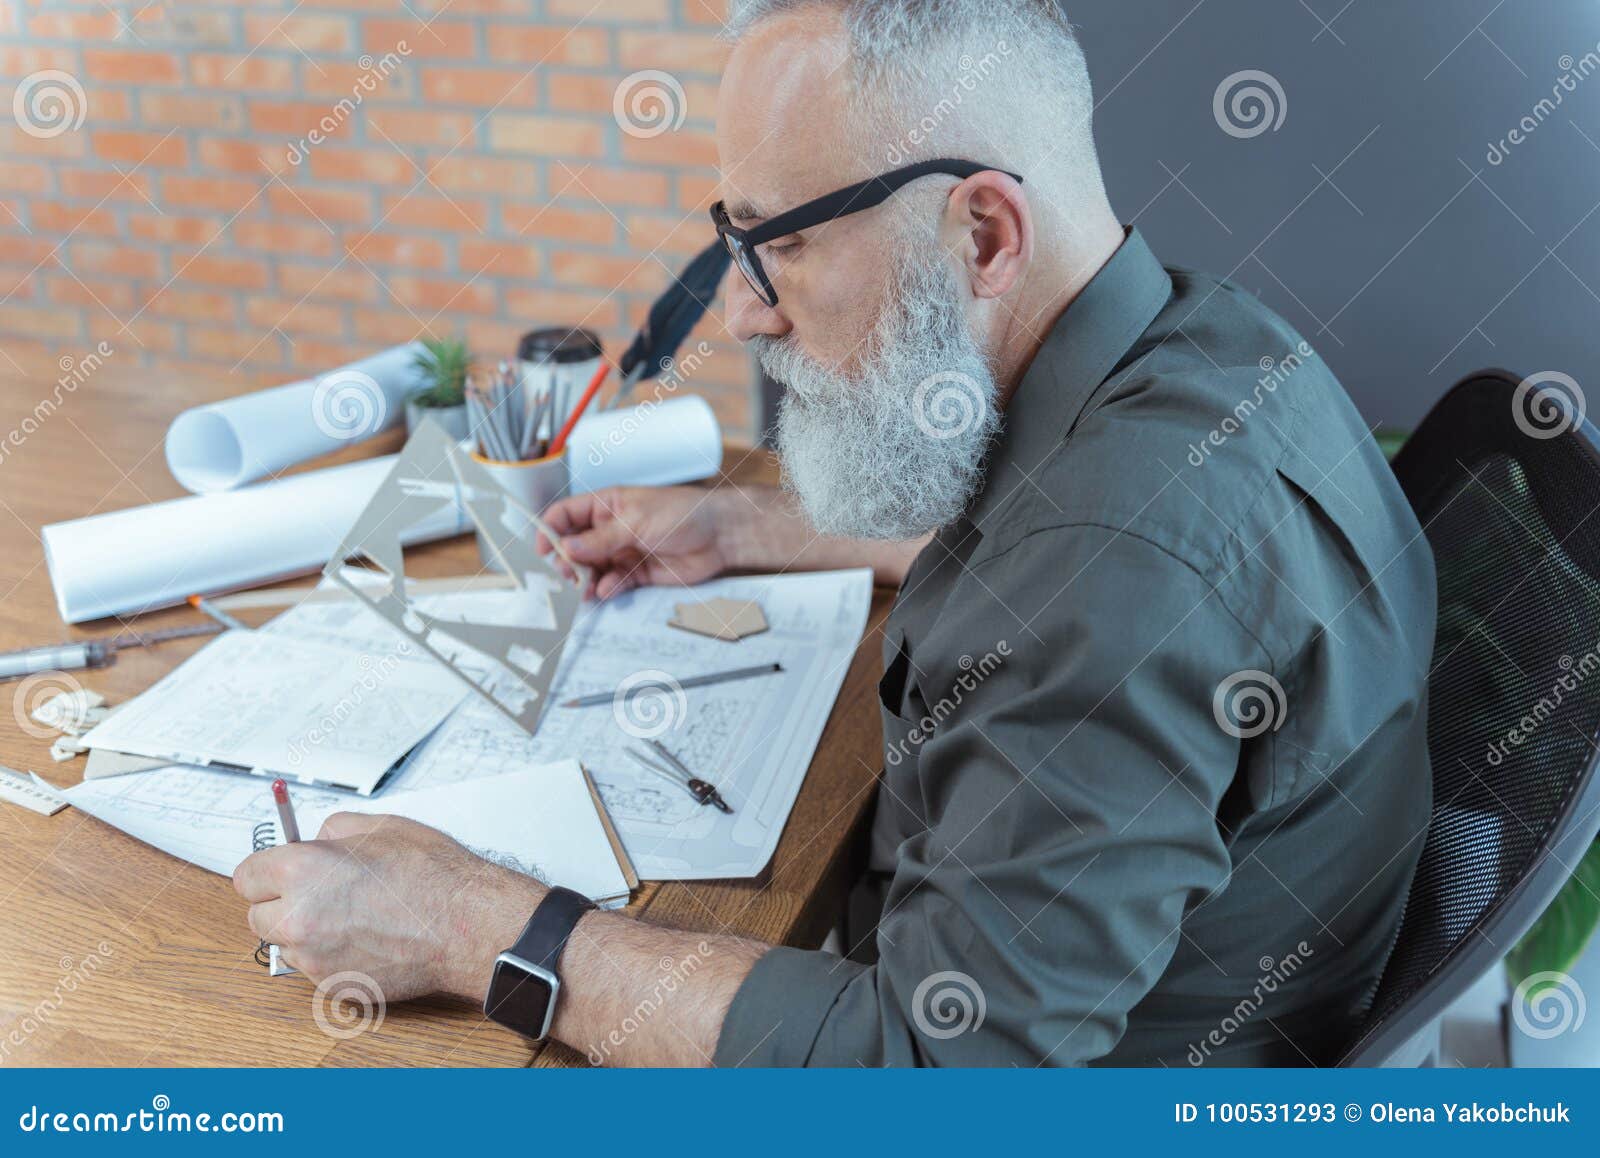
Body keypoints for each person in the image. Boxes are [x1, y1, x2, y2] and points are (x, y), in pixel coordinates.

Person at [234, 0, 1436, 1066]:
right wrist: (748, 525)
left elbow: (927, 1068)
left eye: (785, 243)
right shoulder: (1197, 348)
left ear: (982, 238)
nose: (747, 311)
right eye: (737, 240)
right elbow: (1042, 529)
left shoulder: (1113, 571)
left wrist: (473, 927)